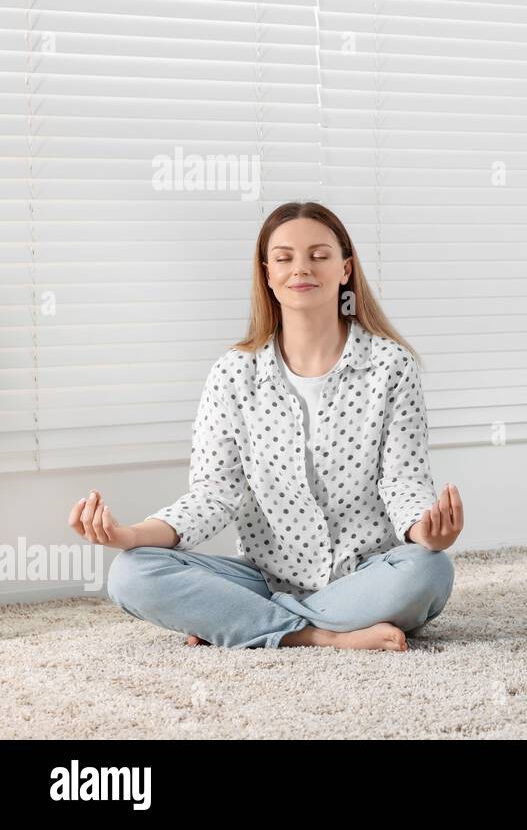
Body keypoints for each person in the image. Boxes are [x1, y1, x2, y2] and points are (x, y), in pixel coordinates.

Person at [71, 202, 462, 651]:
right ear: (268, 274)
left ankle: (244, 624)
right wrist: (130, 535)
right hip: (266, 577)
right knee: (131, 572)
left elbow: (402, 481)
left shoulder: (391, 366)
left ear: (345, 269)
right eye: (284, 257)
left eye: (319, 255)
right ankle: (320, 636)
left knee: (429, 570)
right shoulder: (233, 373)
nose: (302, 268)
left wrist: (424, 531)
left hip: (365, 575)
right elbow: (214, 495)